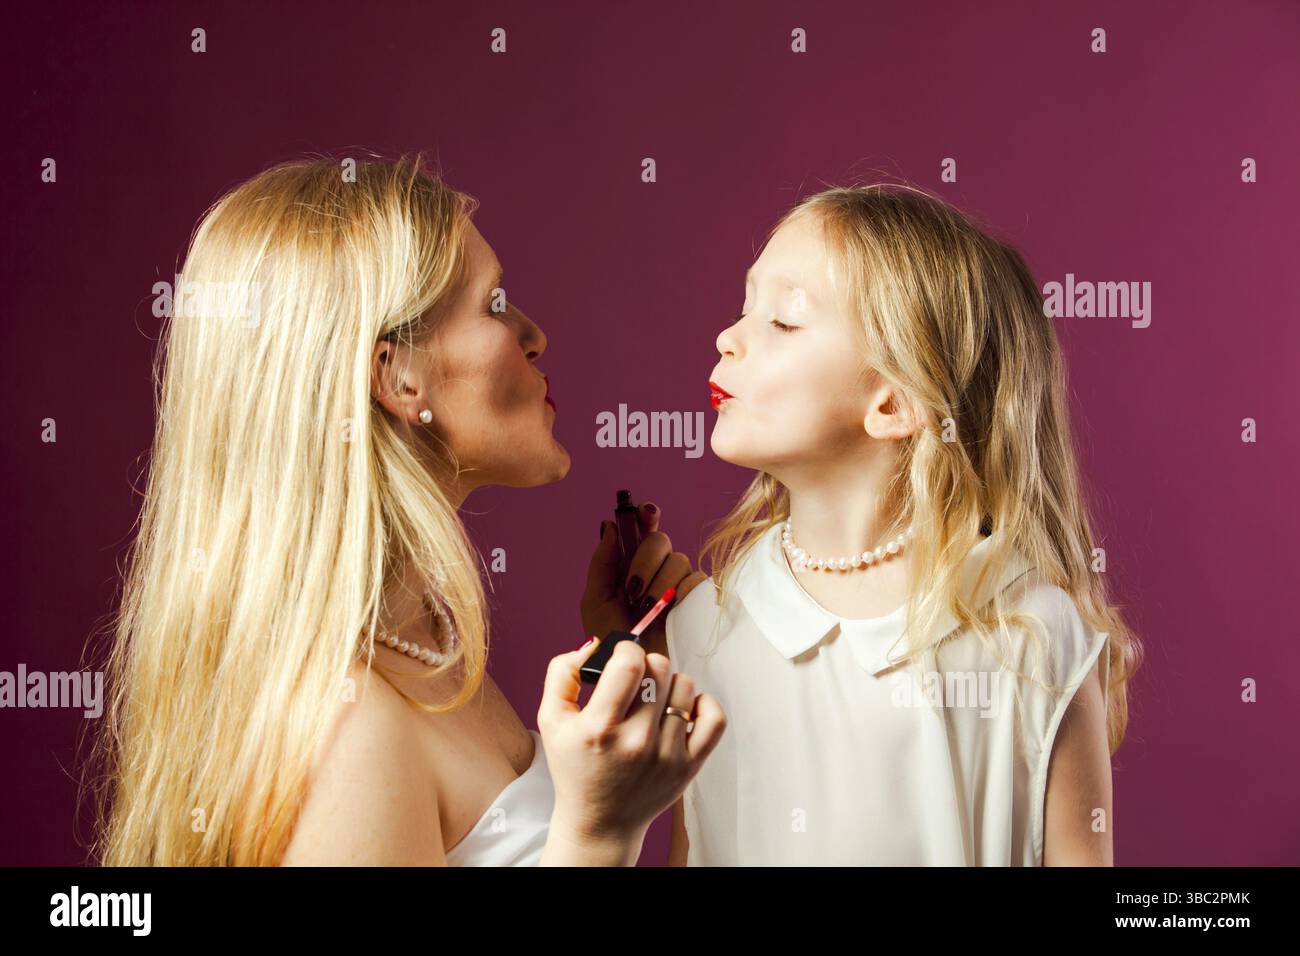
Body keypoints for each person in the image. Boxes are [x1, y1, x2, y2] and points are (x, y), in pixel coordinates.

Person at [85, 154, 725, 866]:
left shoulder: (423, 656)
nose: (535, 335)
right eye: (494, 304)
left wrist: (629, 686)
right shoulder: (352, 730)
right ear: (395, 375)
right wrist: (598, 832)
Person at [661, 184, 1142, 865]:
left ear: (893, 402)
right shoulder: (701, 628)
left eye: (784, 322)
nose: (727, 339)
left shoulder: (1032, 635)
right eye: (746, 308)